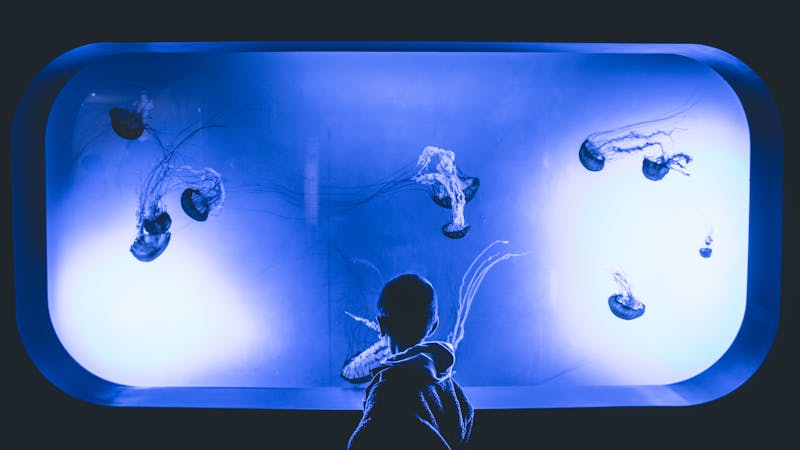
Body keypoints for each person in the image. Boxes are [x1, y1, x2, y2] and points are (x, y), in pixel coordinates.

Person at [347, 273, 474, 450]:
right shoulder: (446, 382)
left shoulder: (388, 391)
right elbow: (466, 417)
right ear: (434, 325)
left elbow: (365, 441)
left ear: (382, 324)